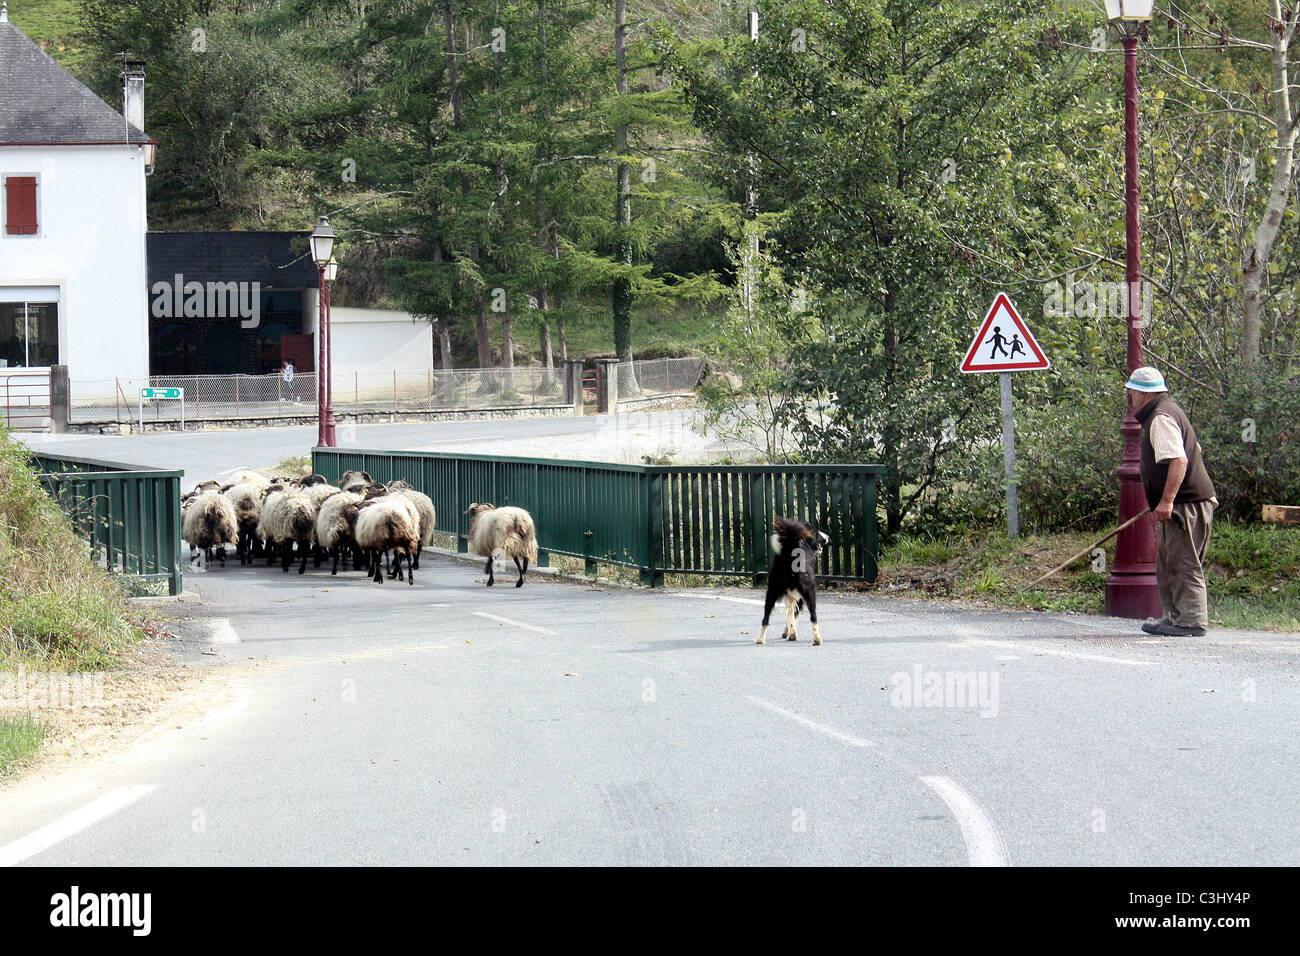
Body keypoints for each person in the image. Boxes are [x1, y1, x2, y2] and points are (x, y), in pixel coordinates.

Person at [1125, 366, 1217, 636]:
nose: (1130, 398)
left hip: (1186, 505)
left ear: (1142, 394)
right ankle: (1174, 617)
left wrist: (1166, 500)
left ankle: (1191, 621)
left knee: (1184, 562)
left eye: (1131, 393)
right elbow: (1195, 449)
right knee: (1168, 562)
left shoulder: (1161, 417)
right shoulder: (1167, 412)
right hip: (1186, 502)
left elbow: (1179, 459)